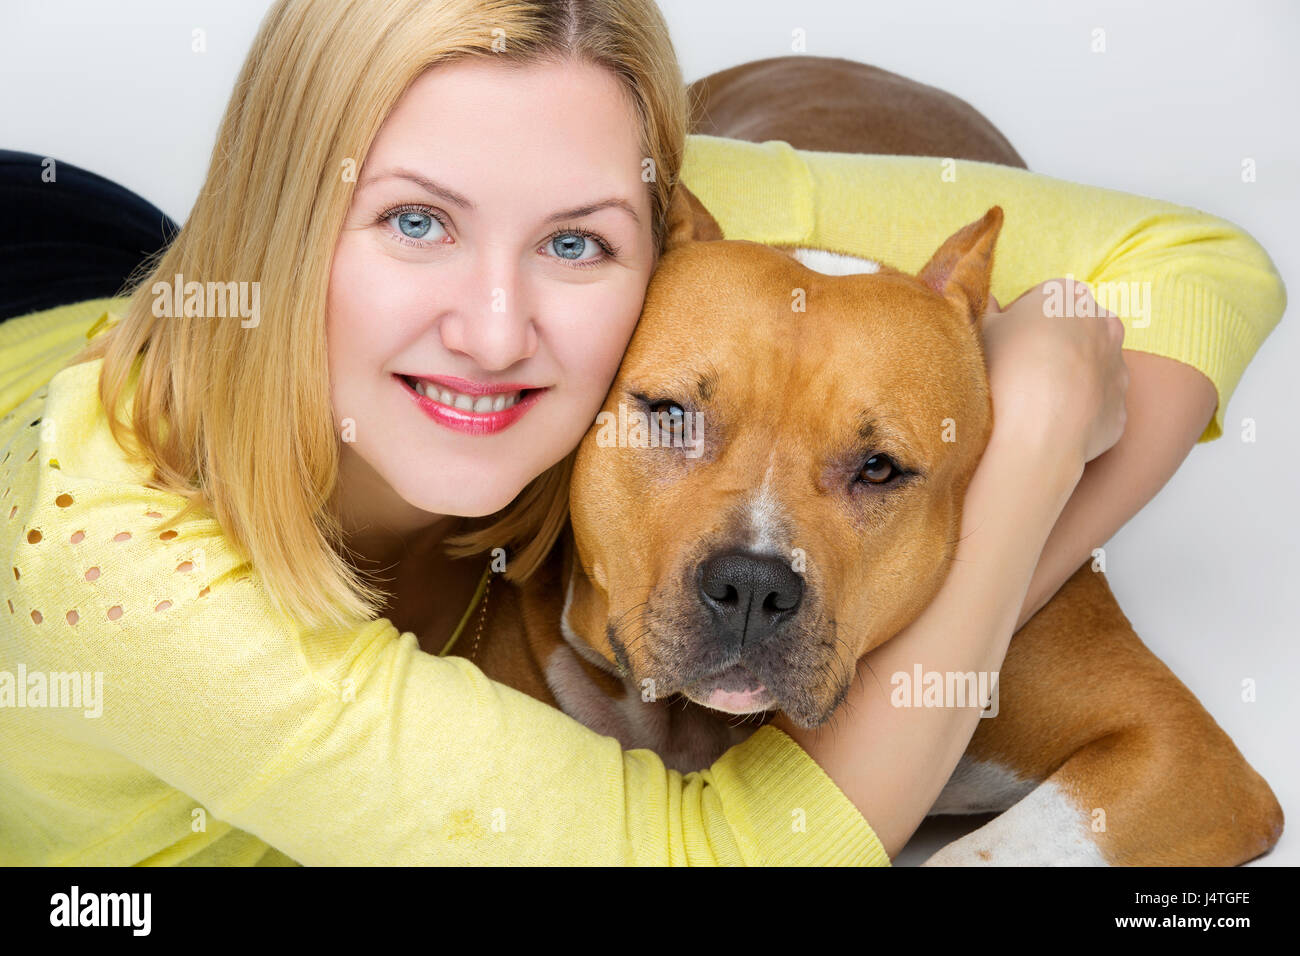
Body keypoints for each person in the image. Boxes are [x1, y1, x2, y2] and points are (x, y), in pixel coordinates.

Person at [0, 0, 1283, 865]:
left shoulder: (680, 256)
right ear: (269, 221)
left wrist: (1012, 481)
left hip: (120, 260)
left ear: (659, 218)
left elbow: (1197, 259)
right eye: (412, 218)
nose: (498, 330)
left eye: (574, 241)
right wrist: (1034, 452)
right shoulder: (113, 574)